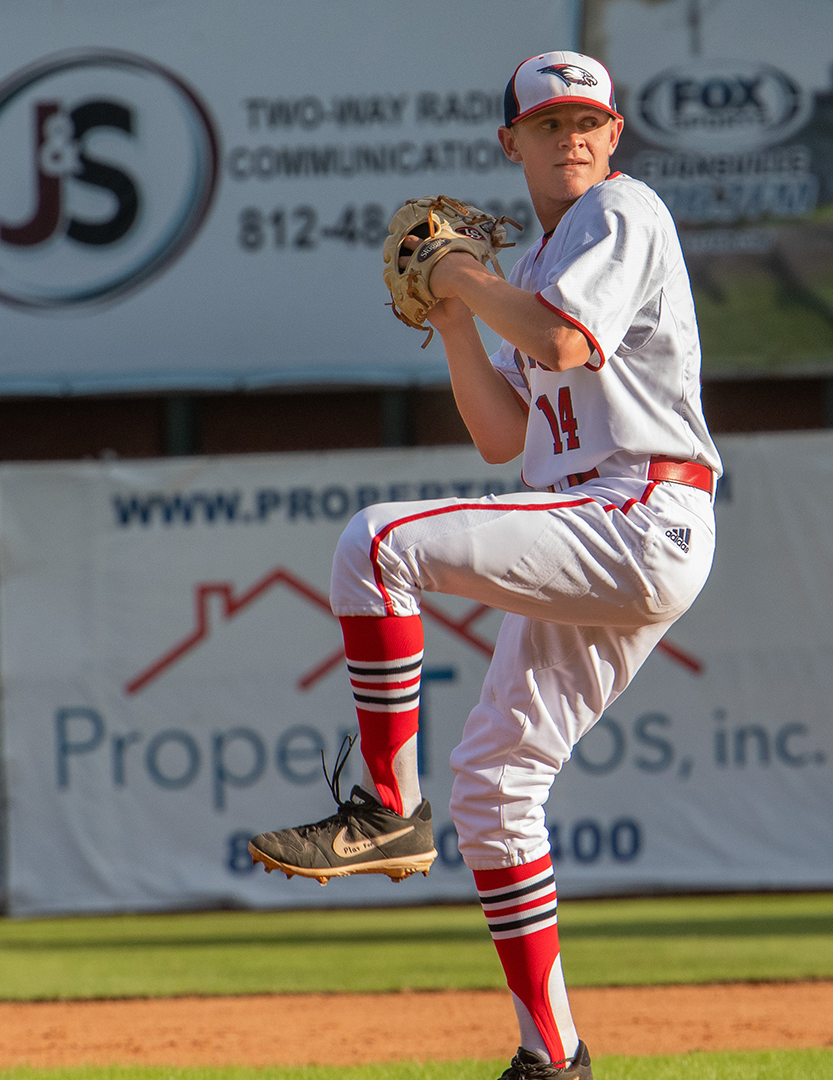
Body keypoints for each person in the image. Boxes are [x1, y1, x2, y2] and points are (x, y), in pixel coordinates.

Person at [247, 50, 719, 1080]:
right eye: (550, 125)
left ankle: (384, 807)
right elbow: (503, 434)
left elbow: (559, 346)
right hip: (593, 518)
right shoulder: (544, 261)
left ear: (615, 133)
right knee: (498, 786)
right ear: (514, 144)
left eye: (589, 120)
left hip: (640, 504)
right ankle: (552, 1058)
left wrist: (460, 269)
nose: (574, 138)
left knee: (376, 543)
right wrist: (458, 316)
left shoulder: (623, 212)